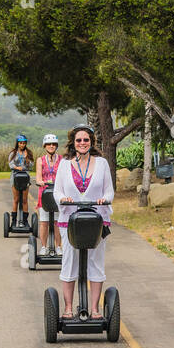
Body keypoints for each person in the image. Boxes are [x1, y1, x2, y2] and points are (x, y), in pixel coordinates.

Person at [53, 125, 114, 320]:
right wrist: (63, 199)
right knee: (69, 261)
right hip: (70, 221)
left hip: (96, 221)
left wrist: (104, 199)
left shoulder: (102, 163)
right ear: (73, 142)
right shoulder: (64, 164)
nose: (82, 143)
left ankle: (95, 308)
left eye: (86, 140)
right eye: (79, 140)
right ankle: (68, 308)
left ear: (91, 142)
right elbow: (57, 191)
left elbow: (109, 191)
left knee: (96, 262)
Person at [35, 133, 62, 255]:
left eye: (53, 144)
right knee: (44, 222)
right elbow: (38, 178)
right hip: (45, 195)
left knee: (57, 222)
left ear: (56, 146)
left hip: (58, 194)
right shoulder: (40, 160)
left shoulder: (62, 160)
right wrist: (41, 182)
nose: (51, 146)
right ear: (45, 146)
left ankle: (58, 246)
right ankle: (44, 247)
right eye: (49, 144)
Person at [7, 135, 34, 226]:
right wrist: (17, 167)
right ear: (17, 143)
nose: (22, 145)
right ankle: (14, 221)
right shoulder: (13, 153)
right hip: (15, 178)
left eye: (24, 143)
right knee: (16, 199)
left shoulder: (28, 153)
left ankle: (25, 221)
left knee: (25, 200)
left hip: (25, 178)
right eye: (20, 143)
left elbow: (31, 166)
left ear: (26, 143)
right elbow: (10, 164)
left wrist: (27, 159)